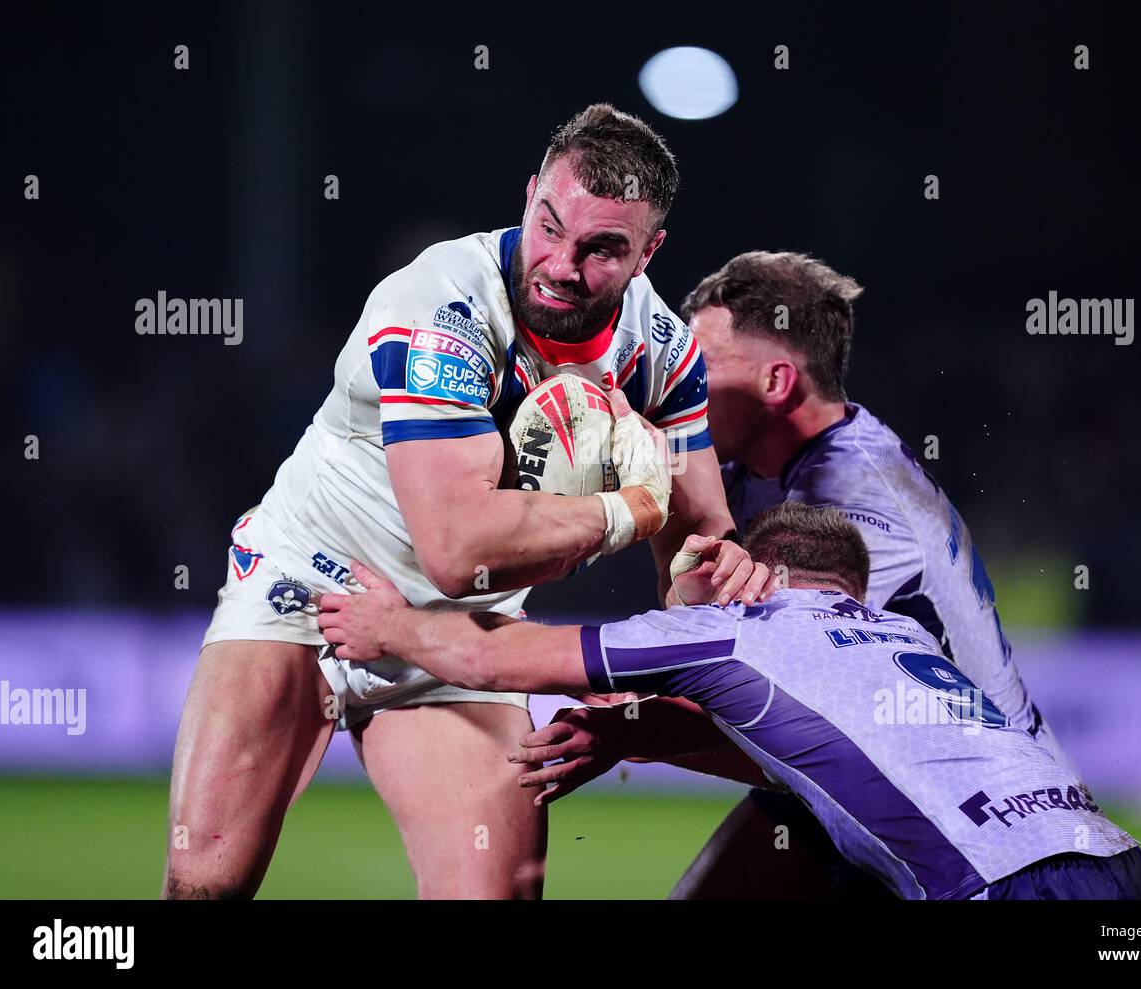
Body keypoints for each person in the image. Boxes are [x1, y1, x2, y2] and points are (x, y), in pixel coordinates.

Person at [164, 104, 757, 900]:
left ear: (649, 251)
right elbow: (455, 546)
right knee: (205, 883)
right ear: (528, 197)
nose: (561, 263)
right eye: (550, 226)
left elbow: (696, 552)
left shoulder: (663, 354)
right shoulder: (440, 305)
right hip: (304, 587)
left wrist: (714, 594)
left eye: (601, 249)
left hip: (458, 641)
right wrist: (630, 510)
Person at [513, 250, 1081, 897]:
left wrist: (638, 725)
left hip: (971, 803)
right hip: (869, 779)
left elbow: (791, 720)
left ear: (777, 384)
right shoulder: (752, 464)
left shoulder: (857, 506)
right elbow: (692, 613)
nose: (680, 389)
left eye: (698, 370)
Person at [318, 503, 1141, 900]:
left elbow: (502, 660)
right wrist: (634, 734)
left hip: (998, 888)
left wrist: (394, 623)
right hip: (1115, 862)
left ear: (755, 573)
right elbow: (809, 754)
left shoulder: (736, 630)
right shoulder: (906, 643)